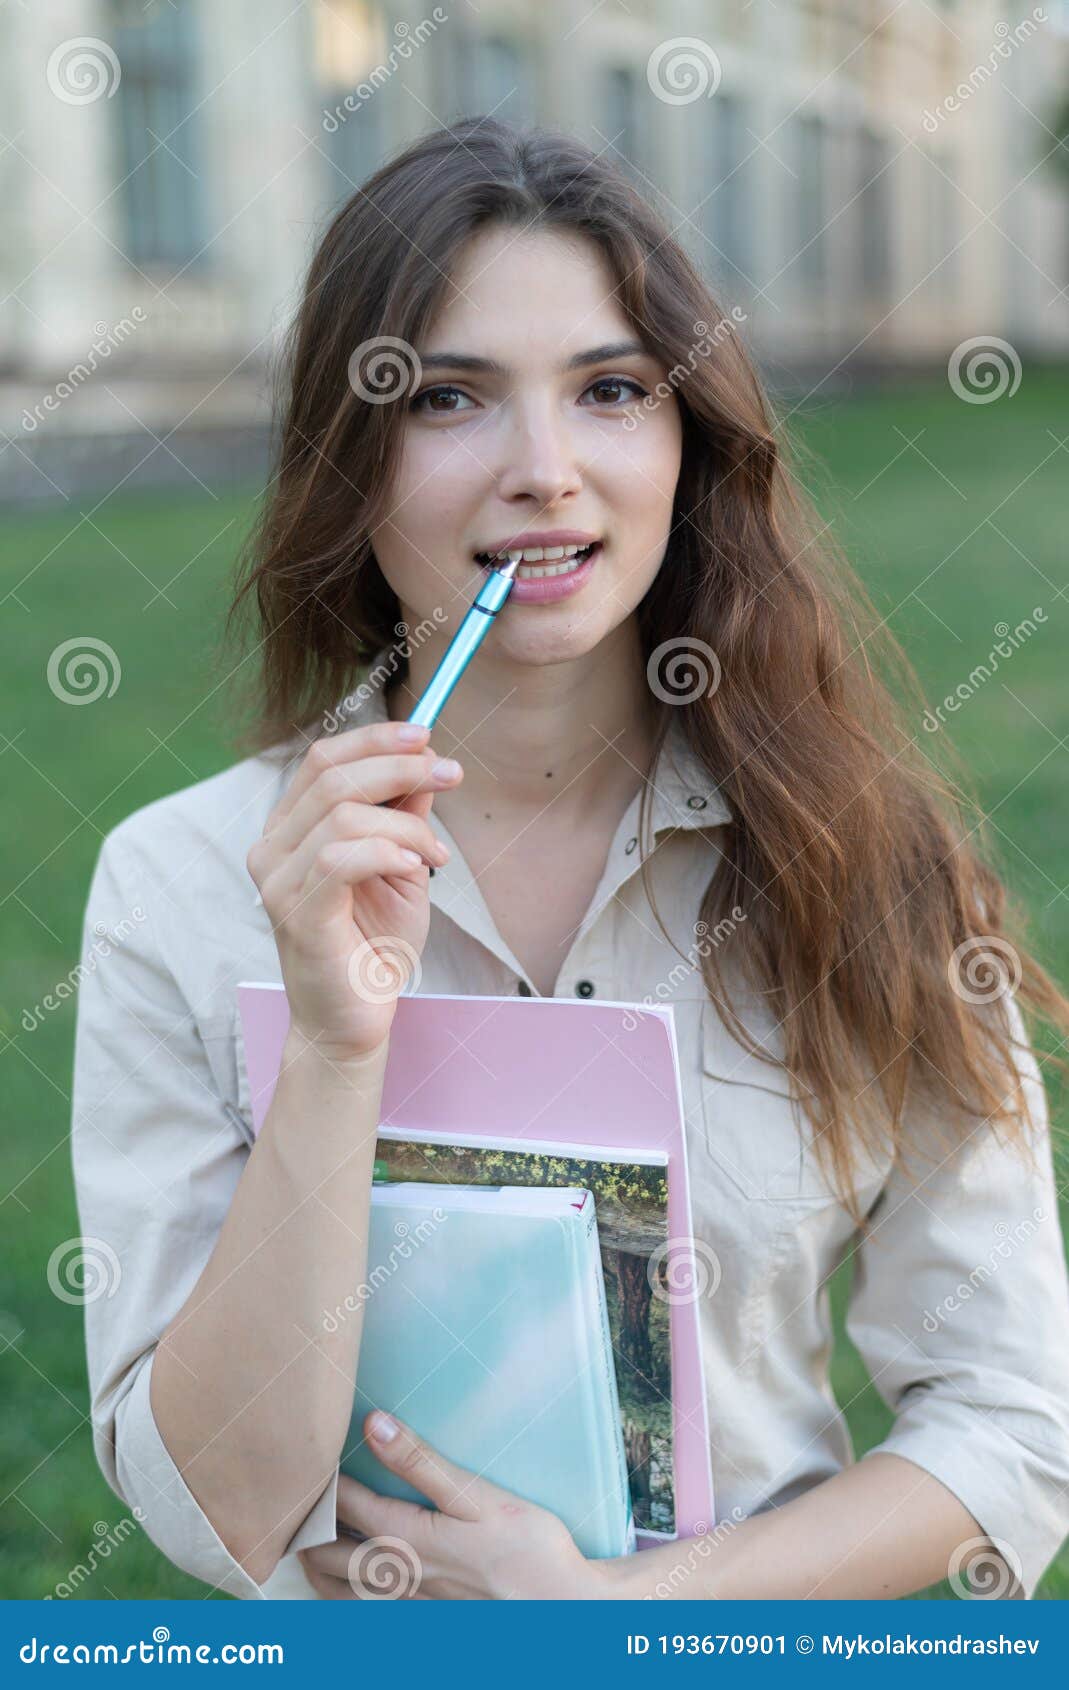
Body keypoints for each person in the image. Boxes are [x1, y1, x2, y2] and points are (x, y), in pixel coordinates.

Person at [71, 117, 1069, 1601]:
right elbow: (215, 1505)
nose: (544, 470)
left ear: (688, 440)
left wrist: (616, 1619)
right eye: (452, 398)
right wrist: (337, 1054)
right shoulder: (178, 882)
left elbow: (1011, 1431)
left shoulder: (878, 862)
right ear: (348, 459)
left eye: (609, 390)